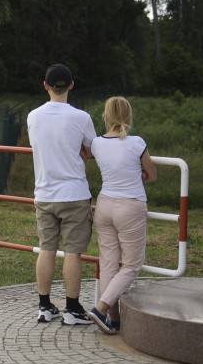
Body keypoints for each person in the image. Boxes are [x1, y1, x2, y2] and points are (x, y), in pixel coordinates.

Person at [27, 64, 97, 325]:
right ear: (71, 85)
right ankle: (72, 309)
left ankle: (44, 306)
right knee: (73, 252)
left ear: (45, 86)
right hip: (74, 193)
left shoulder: (33, 116)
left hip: (44, 193)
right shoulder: (81, 118)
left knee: (46, 249)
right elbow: (92, 149)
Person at [88, 96, 157, 335]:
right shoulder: (137, 143)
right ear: (128, 116)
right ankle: (101, 308)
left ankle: (113, 319)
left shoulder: (96, 143)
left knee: (108, 263)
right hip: (131, 205)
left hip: (105, 203)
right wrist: (138, 174)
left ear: (106, 116)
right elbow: (151, 174)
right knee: (131, 264)